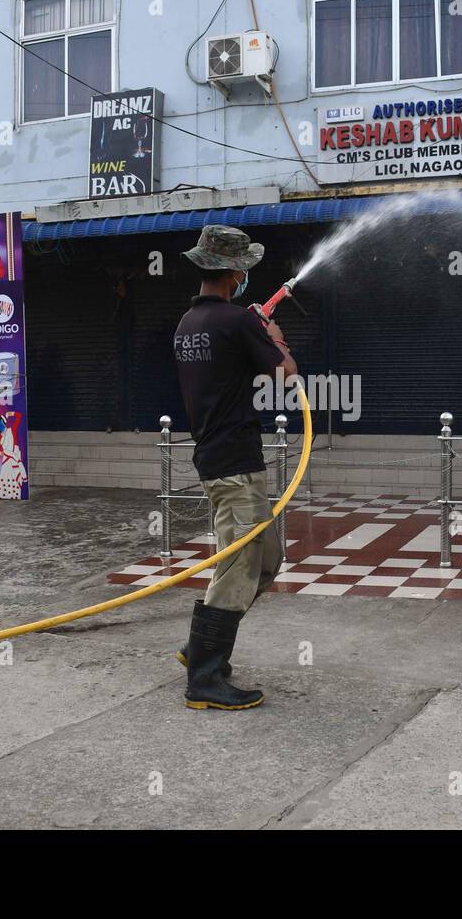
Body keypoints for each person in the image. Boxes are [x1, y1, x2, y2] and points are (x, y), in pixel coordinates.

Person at [173, 225, 297, 711]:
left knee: (263, 560)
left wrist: (254, 335)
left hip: (220, 459)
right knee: (240, 566)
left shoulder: (188, 324)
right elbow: (286, 377)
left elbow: (225, 372)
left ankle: (197, 650)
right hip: (235, 465)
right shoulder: (238, 322)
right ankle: (205, 679)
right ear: (235, 272)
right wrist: (275, 337)